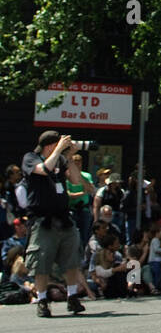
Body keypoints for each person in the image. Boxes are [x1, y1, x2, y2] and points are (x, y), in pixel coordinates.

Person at [22, 132, 88, 317]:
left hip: (64, 218)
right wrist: (59, 149)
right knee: (41, 261)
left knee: (72, 258)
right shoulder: (30, 158)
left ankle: (72, 297)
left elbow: (75, 181)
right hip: (43, 220)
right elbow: (44, 169)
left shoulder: (60, 160)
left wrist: (69, 158)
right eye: (58, 144)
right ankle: (42, 300)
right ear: (49, 145)